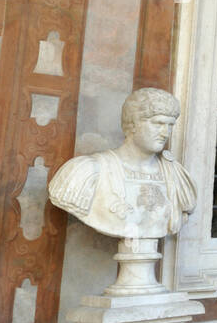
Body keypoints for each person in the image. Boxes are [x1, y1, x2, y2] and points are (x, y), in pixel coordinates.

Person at [48, 88, 196, 240]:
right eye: (158, 123)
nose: (165, 133)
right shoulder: (87, 171)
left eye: (170, 125)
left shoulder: (176, 175)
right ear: (133, 123)